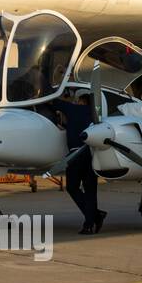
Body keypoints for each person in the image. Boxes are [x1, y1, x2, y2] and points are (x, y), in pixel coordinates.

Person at [53, 90, 105, 234]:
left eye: (77, 101)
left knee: (72, 187)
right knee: (90, 191)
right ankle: (91, 221)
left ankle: (93, 218)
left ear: (82, 102)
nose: (75, 103)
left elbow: (54, 103)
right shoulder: (96, 114)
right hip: (92, 155)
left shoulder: (75, 109)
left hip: (76, 154)